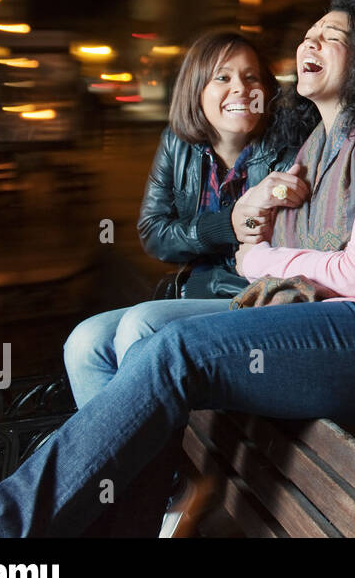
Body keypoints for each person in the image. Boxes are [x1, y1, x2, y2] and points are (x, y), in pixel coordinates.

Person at [0, 0, 355, 538]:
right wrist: (257, 234)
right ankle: (130, 520)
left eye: (331, 36)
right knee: (125, 344)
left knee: (169, 348)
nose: (309, 43)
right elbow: (226, 235)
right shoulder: (317, 150)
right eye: (307, 35)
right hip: (338, 319)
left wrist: (261, 258)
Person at [61, 30, 309, 410]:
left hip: (254, 300)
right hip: (196, 295)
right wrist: (224, 224)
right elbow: (154, 233)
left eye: (251, 77)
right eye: (222, 77)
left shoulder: (290, 148)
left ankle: (151, 458)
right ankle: (126, 465)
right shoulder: (178, 144)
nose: (240, 89)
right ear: (196, 89)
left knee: (142, 324)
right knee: (85, 342)